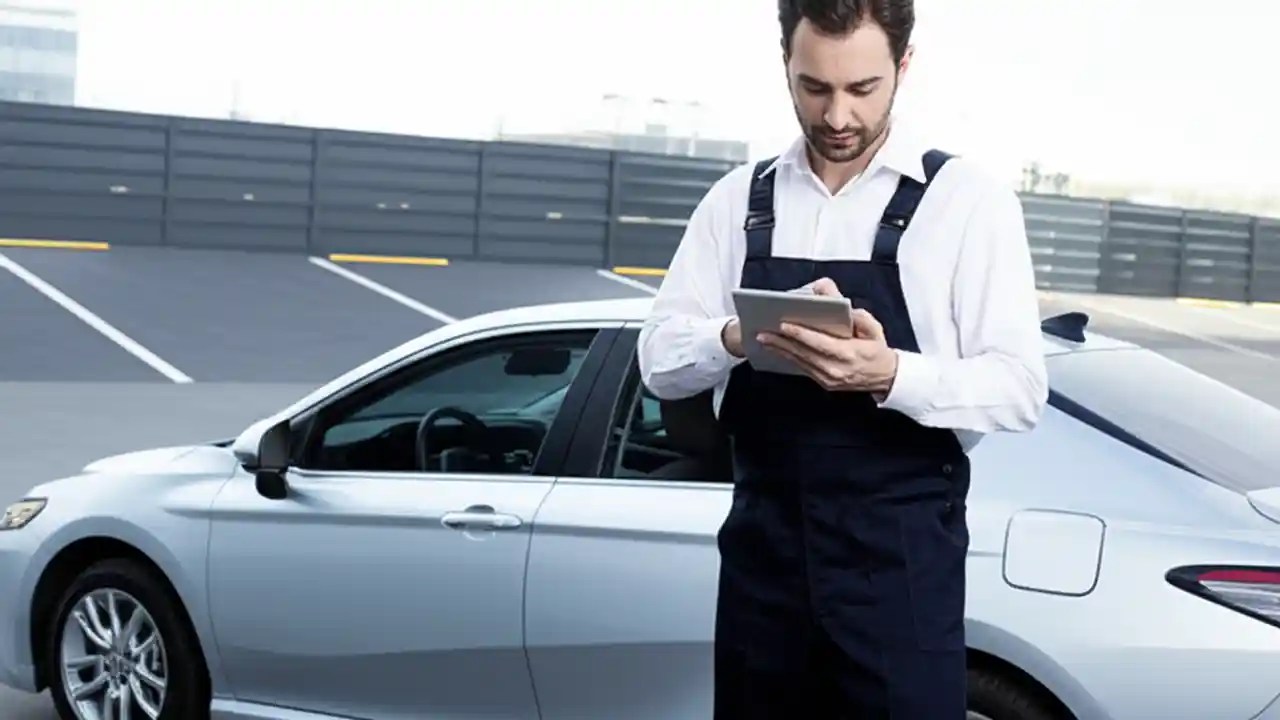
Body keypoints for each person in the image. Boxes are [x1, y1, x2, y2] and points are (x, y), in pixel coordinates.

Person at [636, 1, 1050, 717]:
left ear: (903, 67)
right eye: (814, 87)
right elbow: (658, 362)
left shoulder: (967, 204)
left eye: (862, 89)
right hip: (763, 567)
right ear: (786, 66)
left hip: (899, 572)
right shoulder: (737, 201)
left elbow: (1019, 388)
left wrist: (889, 374)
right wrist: (736, 336)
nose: (836, 116)